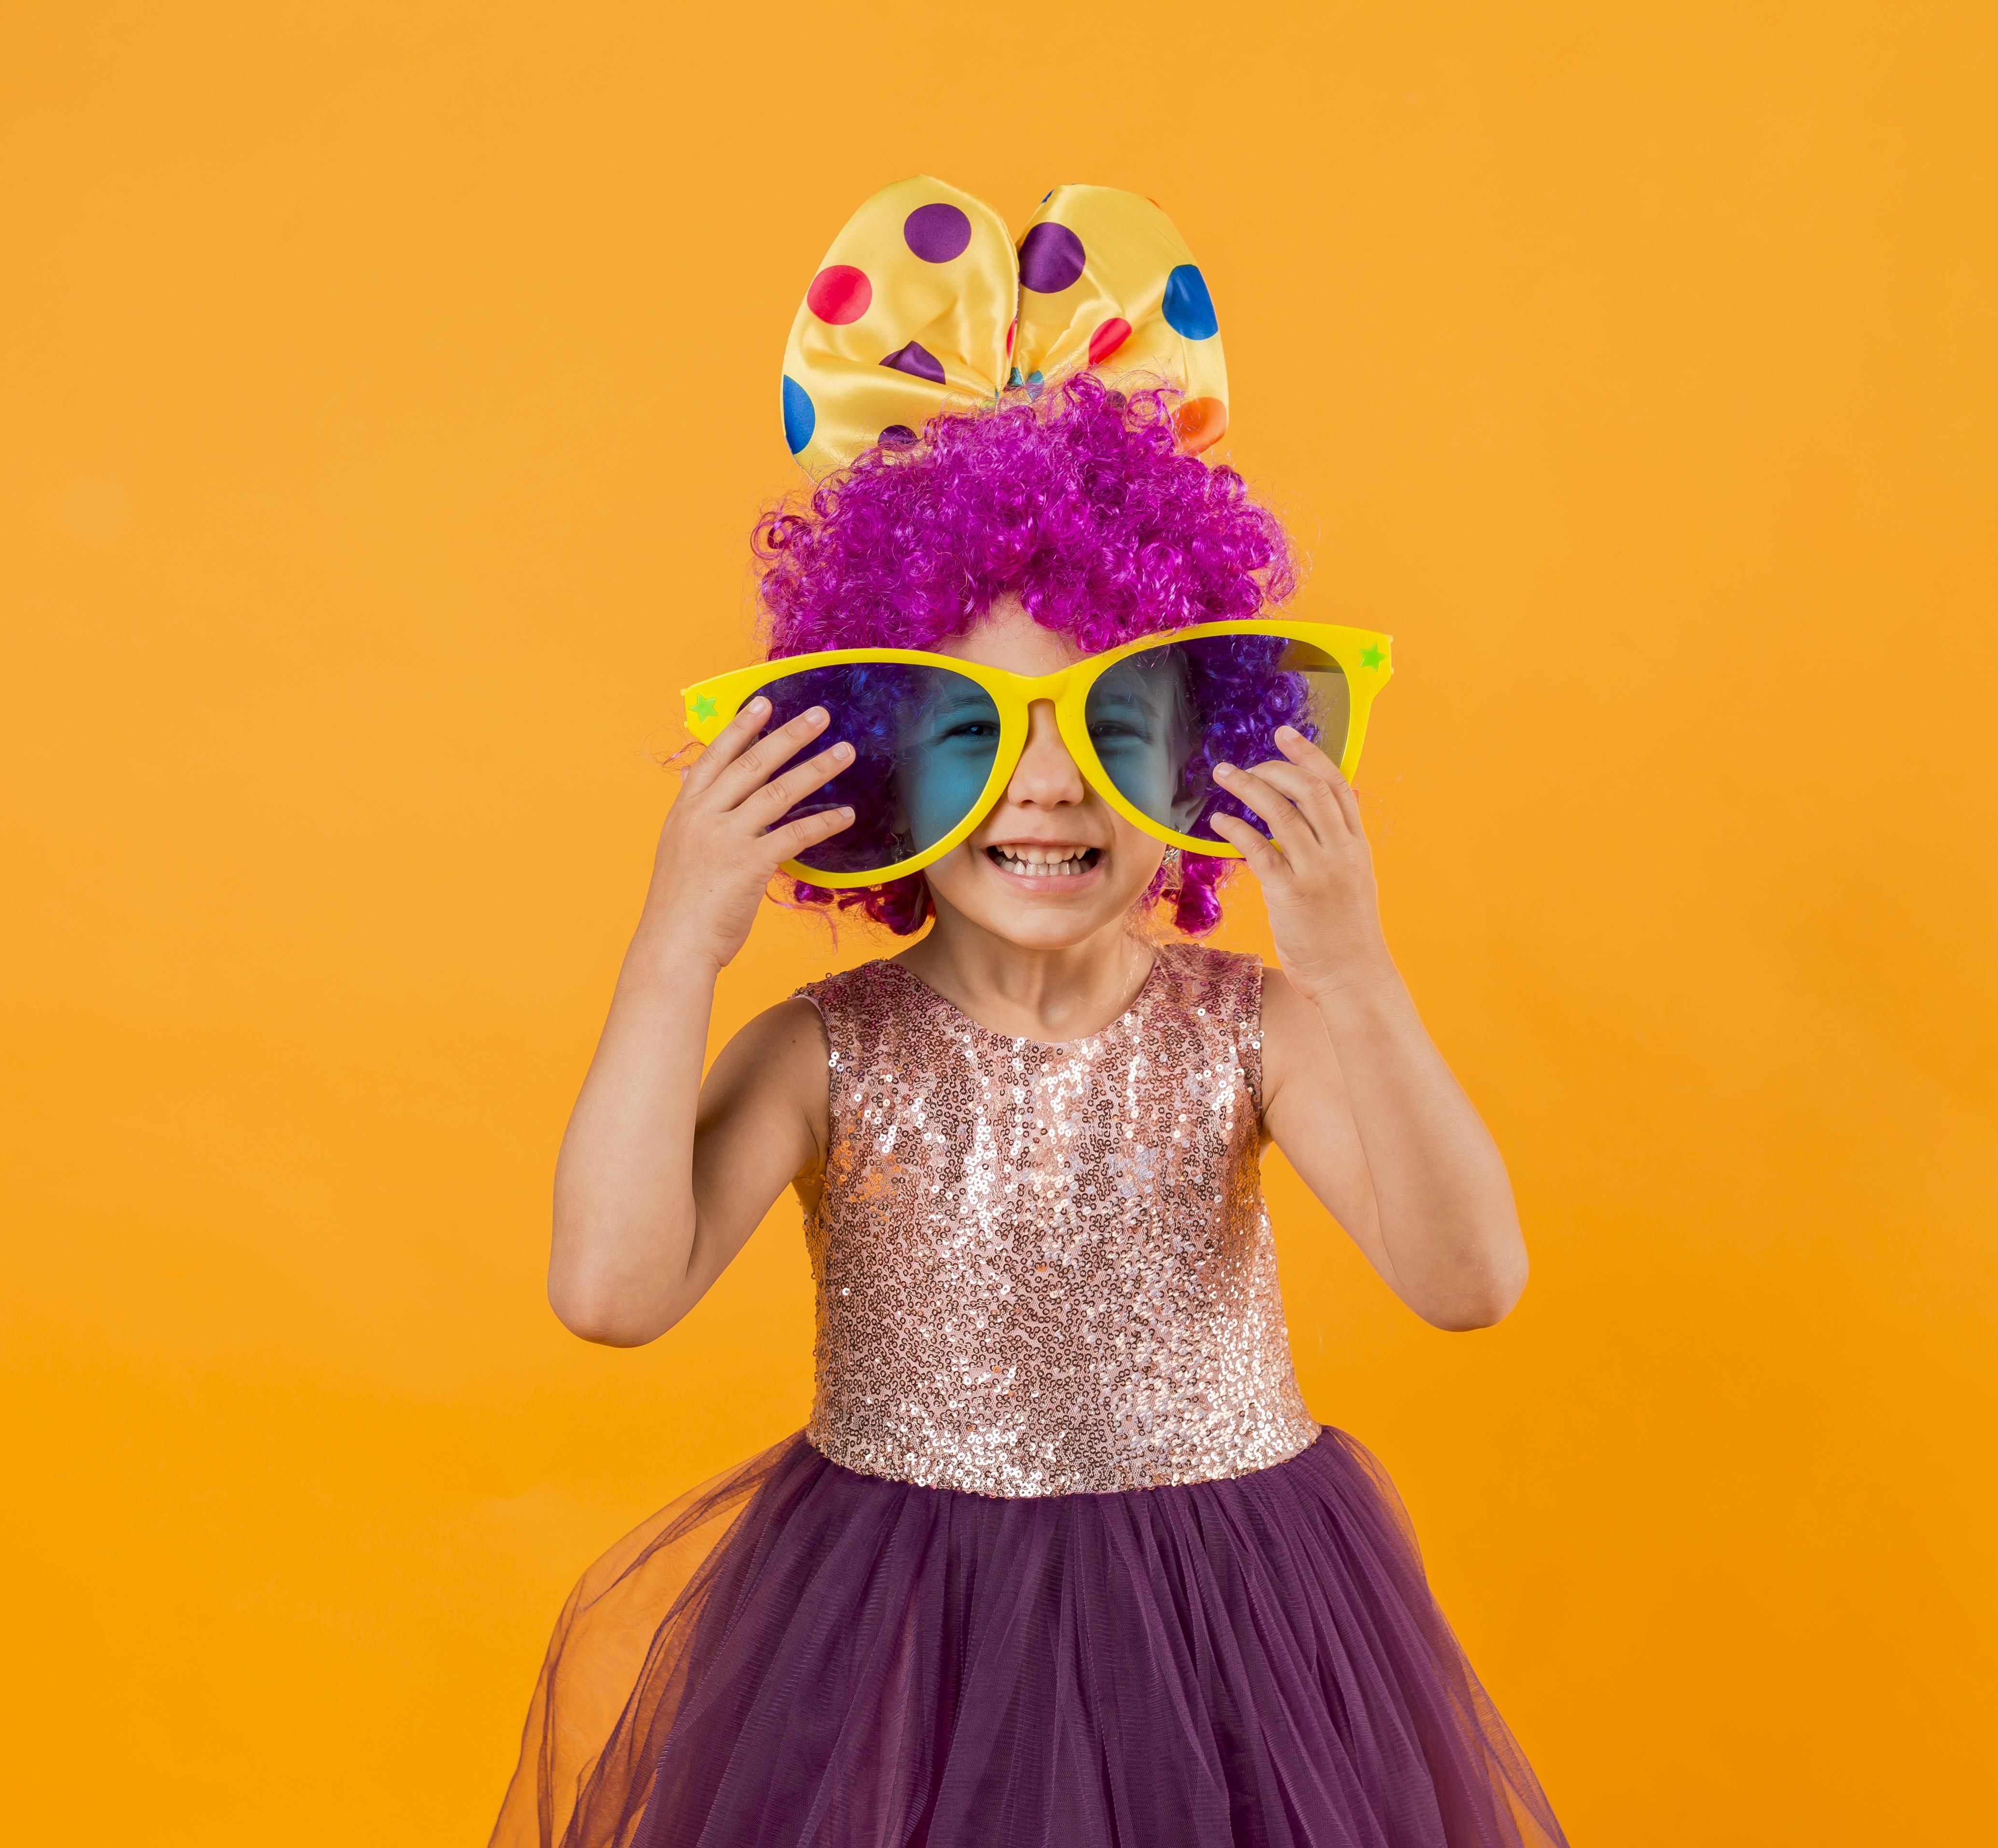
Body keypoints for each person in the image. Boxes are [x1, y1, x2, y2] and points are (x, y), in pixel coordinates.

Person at [490, 177, 1568, 1848]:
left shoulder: (1252, 1031)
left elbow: (1470, 1281)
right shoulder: (829, 1053)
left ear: (1208, 752)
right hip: (905, 1636)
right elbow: (610, 1293)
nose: (1049, 782)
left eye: (1111, 721)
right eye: (972, 726)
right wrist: (677, 942)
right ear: (865, 755)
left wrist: (1354, 971)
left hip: (1228, 1633)